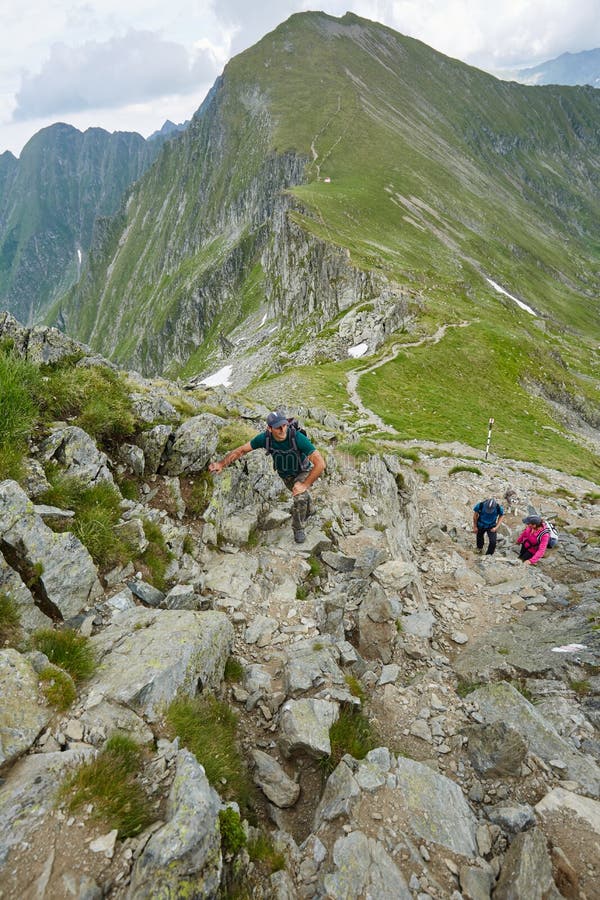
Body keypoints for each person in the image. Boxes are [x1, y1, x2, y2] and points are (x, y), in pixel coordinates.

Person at [208, 411, 326, 544]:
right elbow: (242, 450)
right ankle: (309, 509)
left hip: (303, 470)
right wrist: (221, 464)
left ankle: (298, 528)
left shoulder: (297, 437)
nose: (282, 430)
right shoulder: (264, 438)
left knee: (299, 495)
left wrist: (305, 484)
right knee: (300, 494)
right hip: (285, 475)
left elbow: (320, 464)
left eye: (284, 425)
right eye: (278, 427)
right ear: (269, 428)